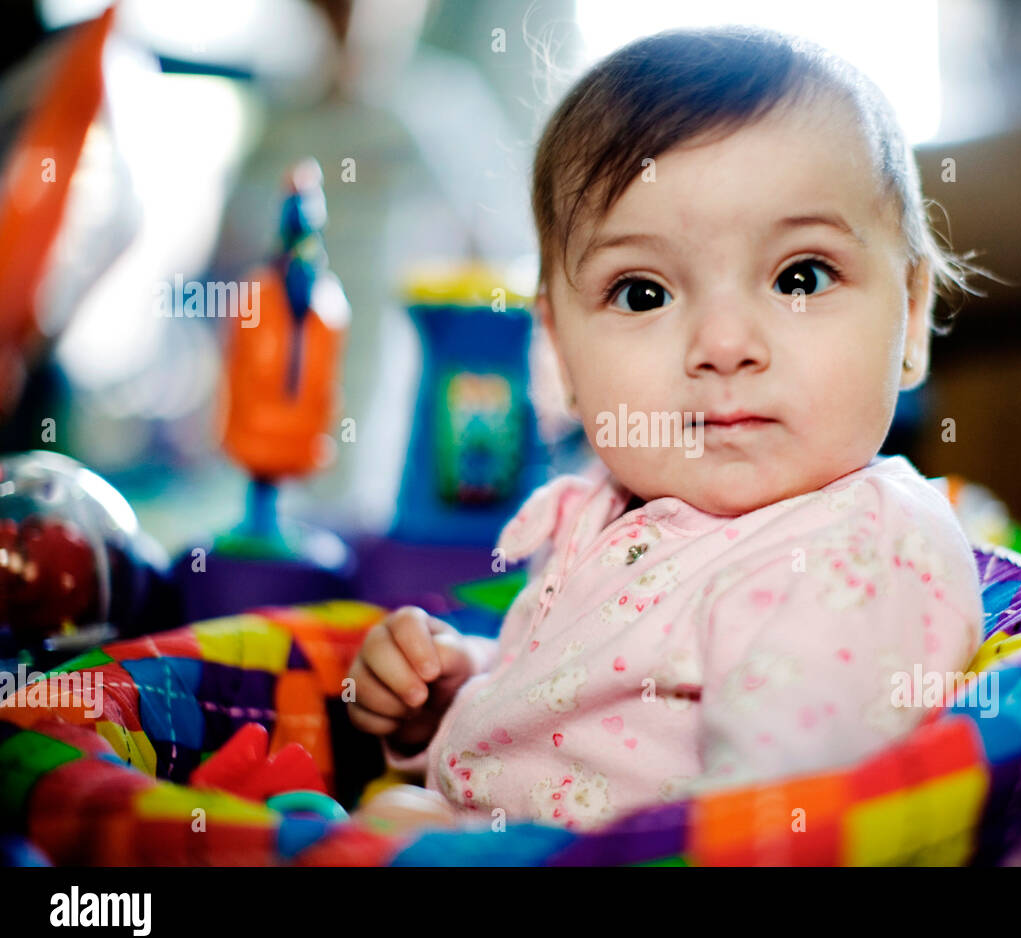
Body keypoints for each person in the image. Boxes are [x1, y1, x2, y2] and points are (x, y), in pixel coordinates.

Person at [346, 26, 984, 833]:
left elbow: (772, 812)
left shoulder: (857, 546)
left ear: (914, 316)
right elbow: (565, 700)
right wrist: (451, 691)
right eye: (643, 294)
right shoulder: (610, 513)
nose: (723, 346)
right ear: (560, 356)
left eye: (800, 277)